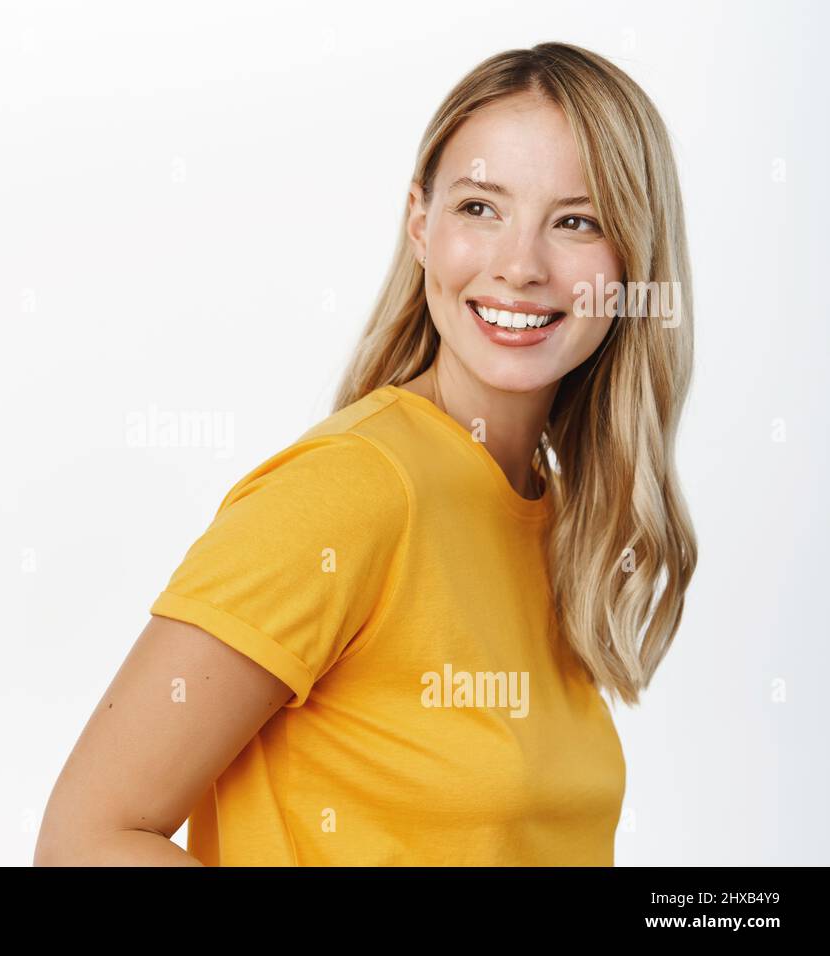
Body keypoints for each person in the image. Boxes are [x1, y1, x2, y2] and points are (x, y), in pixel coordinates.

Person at [35, 41, 697, 866]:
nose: (521, 266)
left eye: (576, 221)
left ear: (633, 260)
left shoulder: (557, 517)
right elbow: (88, 839)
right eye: (480, 208)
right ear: (421, 224)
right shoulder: (349, 492)